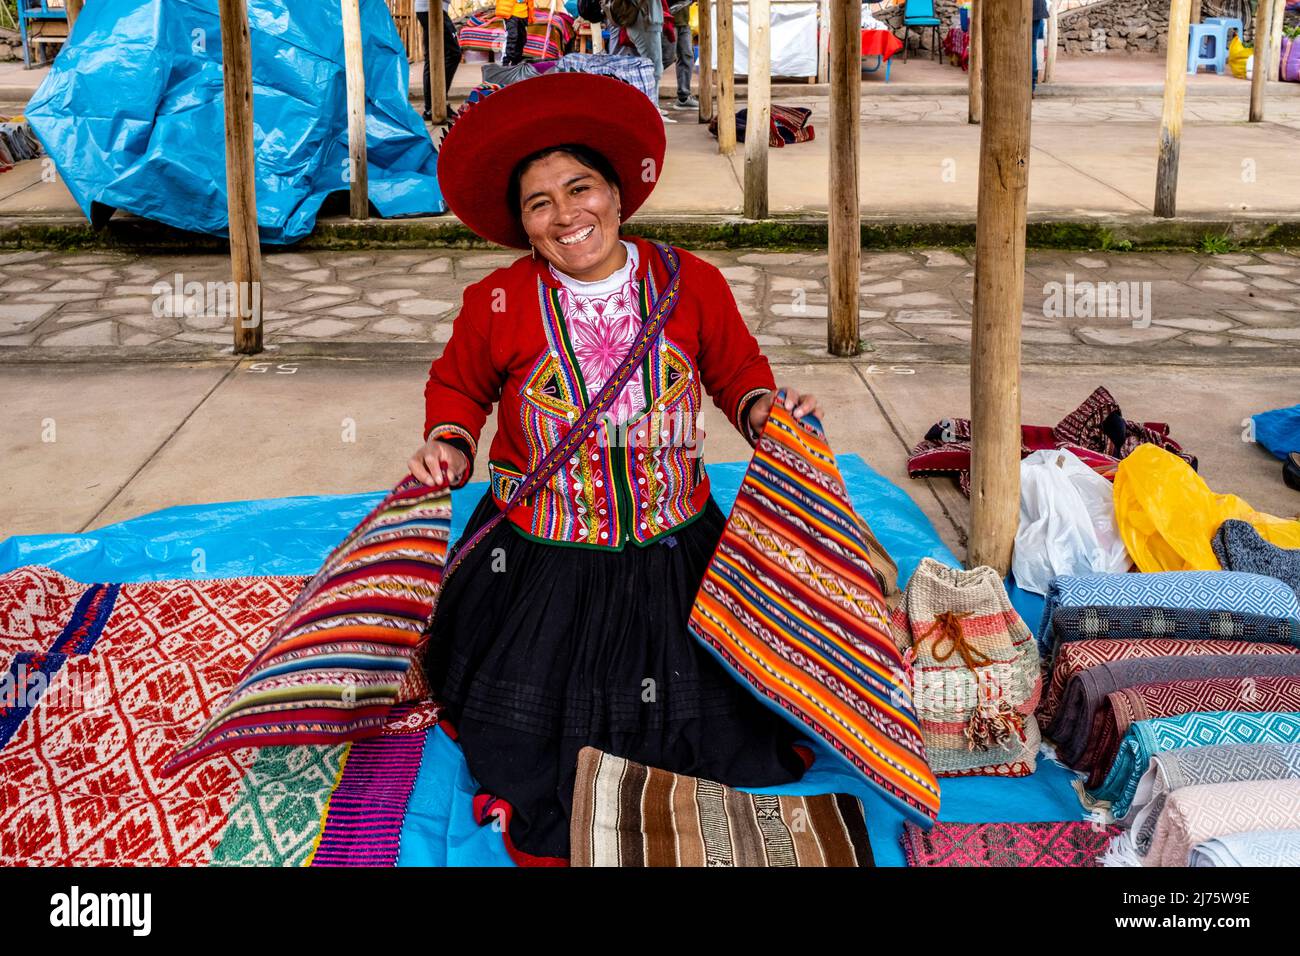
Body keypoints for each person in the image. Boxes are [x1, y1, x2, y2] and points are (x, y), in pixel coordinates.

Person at [412, 72, 821, 865]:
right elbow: (458, 385)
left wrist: (770, 413)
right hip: (542, 555)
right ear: (523, 225)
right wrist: (451, 441)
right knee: (545, 743)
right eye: (541, 204)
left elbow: (738, 373)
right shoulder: (497, 301)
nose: (568, 216)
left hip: (677, 542)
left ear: (616, 195)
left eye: (580, 188)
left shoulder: (690, 283)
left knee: (716, 718)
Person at [415, 0, 463, 123]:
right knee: (454, 54)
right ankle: (437, 102)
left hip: (427, 9)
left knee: (432, 58)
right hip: (432, 8)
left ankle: (431, 107)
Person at [669, 0, 698, 111]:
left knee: (687, 56)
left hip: (683, 21)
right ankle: (650, 96)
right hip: (667, 20)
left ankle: (683, 97)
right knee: (666, 58)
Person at [496, 0, 532, 66]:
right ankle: (506, 62)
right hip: (510, 12)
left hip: (524, 14)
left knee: (522, 39)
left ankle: (515, 62)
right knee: (512, 37)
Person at [1032, 0, 1048, 93]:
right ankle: (1031, 87)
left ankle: (1031, 86)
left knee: (1032, 50)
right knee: (1032, 49)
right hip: (1037, 9)